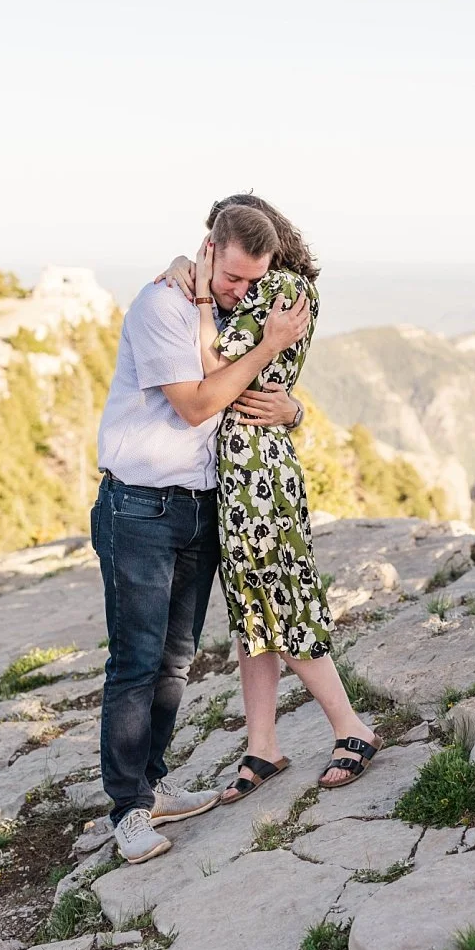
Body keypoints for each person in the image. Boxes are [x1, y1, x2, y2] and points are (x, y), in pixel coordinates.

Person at [93, 202, 309, 864]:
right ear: (207, 249)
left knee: (174, 662)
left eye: (253, 281)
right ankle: (128, 810)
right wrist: (269, 343)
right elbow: (195, 404)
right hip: (139, 507)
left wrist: (294, 410)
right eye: (232, 277)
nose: (241, 290)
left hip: (201, 506)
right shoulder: (161, 304)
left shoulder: (227, 308)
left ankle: (152, 784)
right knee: (135, 663)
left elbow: (254, 391)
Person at [157, 194, 381, 803]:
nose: (231, 282)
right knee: (252, 609)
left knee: (281, 602)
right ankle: (262, 745)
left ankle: (351, 728)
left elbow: (212, 369)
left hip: (255, 466)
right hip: (238, 465)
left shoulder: (278, 289)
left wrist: (204, 299)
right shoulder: (265, 287)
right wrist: (183, 267)